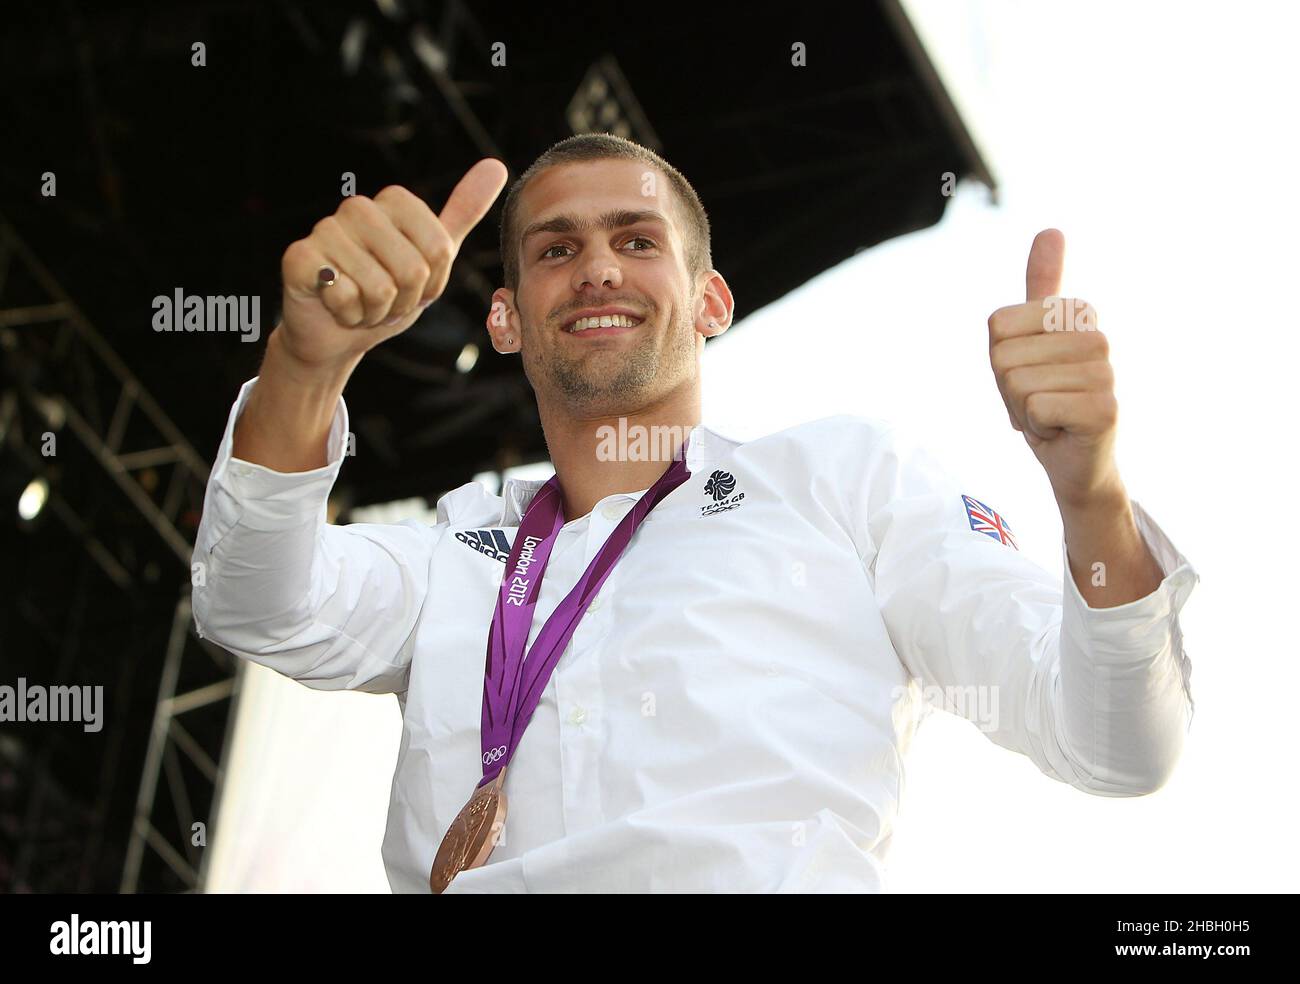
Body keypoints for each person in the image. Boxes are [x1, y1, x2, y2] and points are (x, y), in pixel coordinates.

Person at [191, 133, 1198, 893]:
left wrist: (1090, 491)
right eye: (553, 250)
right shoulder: (460, 544)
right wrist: (305, 364)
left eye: (636, 240)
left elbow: (1116, 743)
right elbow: (253, 605)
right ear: (503, 319)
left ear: (712, 300)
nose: (596, 268)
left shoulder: (847, 482)